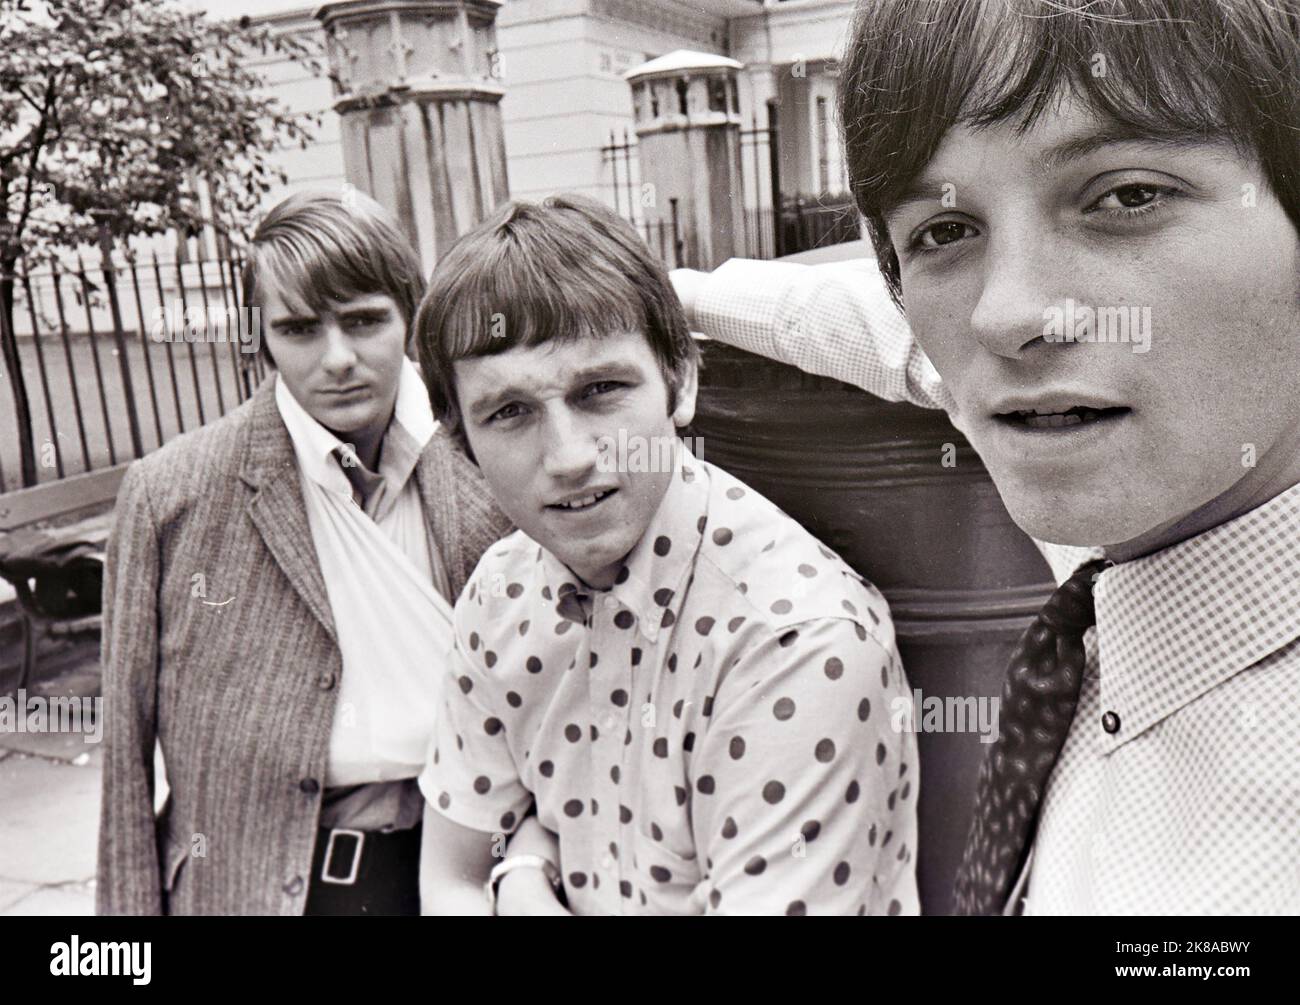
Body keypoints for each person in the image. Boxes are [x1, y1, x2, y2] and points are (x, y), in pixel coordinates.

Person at [673, 0, 1300, 915]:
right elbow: (883, 334)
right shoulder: (1120, 473)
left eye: (1127, 196)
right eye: (946, 232)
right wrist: (663, 293)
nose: (1004, 315)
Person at [411, 194, 919, 916]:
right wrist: (515, 864)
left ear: (681, 381)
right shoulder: (500, 595)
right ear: (462, 441)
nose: (569, 457)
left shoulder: (797, 638)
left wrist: (522, 878)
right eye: (510, 412)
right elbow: (451, 877)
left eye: (600, 390)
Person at [96, 190, 514, 915]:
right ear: (262, 339)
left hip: (472, 883)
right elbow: (124, 766)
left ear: (409, 315)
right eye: (298, 329)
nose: (338, 359)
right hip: (260, 890)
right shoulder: (171, 496)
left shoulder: (490, 464)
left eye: (364, 320)